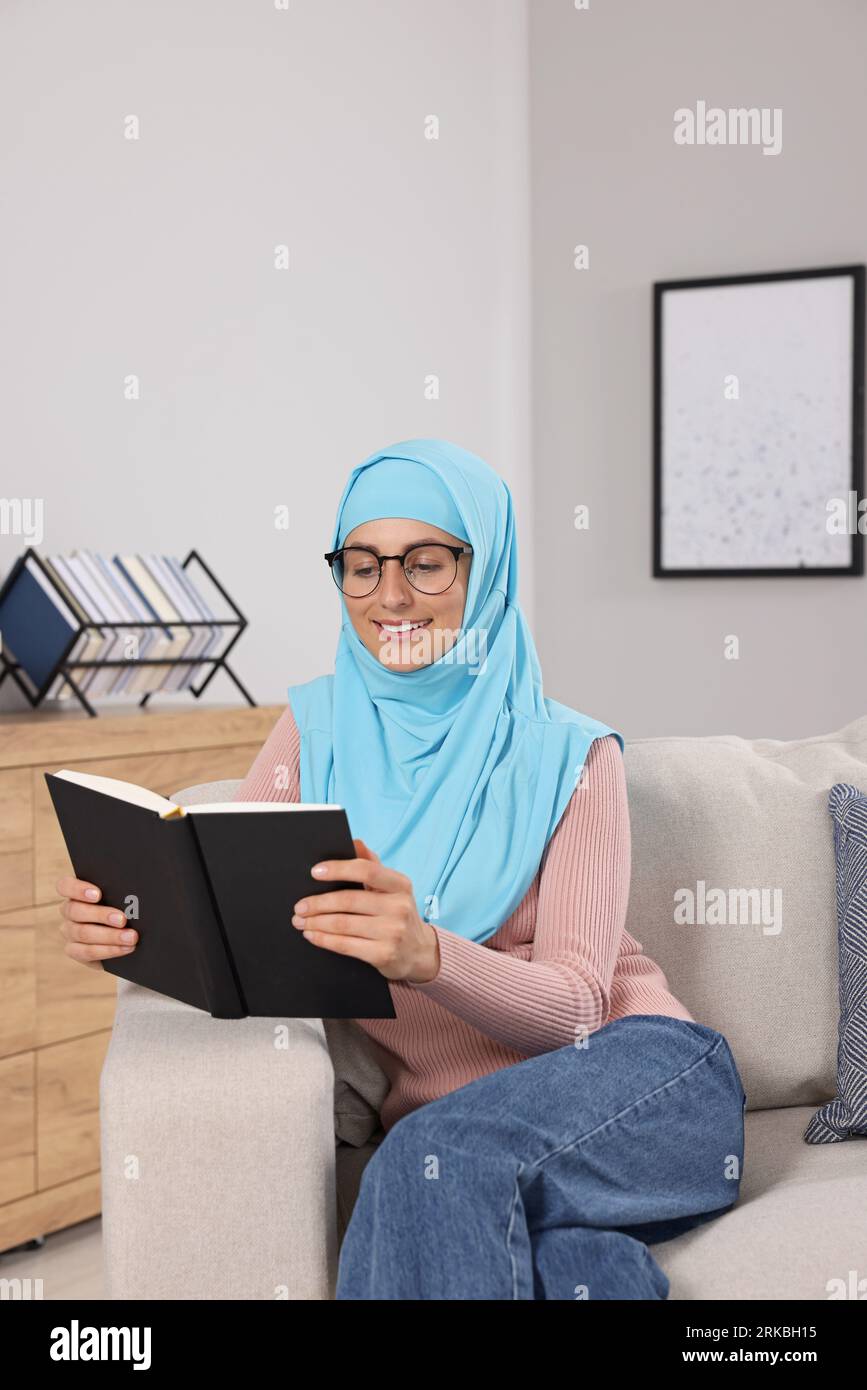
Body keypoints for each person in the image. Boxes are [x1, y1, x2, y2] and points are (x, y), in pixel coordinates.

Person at [56, 437, 747, 1300]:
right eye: (361, 564)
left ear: (484, 567)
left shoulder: (569, 755)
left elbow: (577, 1007)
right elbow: (234, 920)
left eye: (425, 564)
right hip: (464, 1138)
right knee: (574, 1270)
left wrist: (426, 952)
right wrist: (134, 923)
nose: (388, 596)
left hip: (644, 1082)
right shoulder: (315, 733)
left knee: (423, 1164)